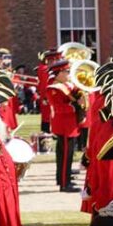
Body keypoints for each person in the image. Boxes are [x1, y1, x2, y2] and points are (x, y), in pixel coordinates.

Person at [46, 59, 81, 190]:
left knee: (67, 154)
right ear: (59, 73)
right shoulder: (54, 88)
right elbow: (59, 108)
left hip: (69, 125)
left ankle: (62, 178)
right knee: (66, 154)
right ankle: (64, 183)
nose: (68, 74)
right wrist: (75, 106)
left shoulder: (66, 85)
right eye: (66, 71)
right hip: (64, 126)